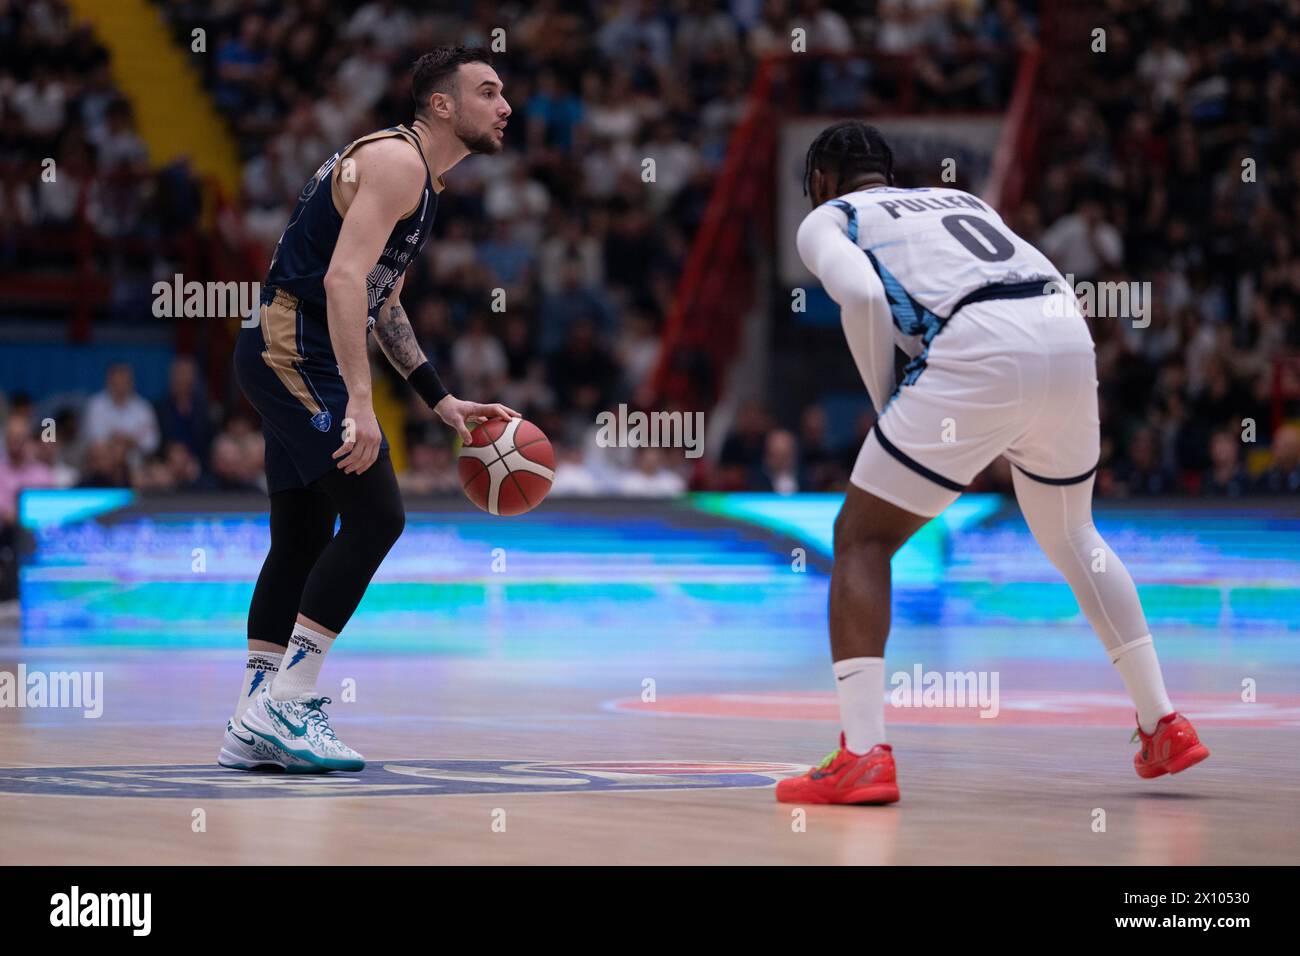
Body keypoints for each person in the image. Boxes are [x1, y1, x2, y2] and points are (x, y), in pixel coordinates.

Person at [777, 121, 1209, 805]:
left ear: (822, 183)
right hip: (1064, 329)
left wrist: (887, 401)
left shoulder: (832, 217)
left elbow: (860, 297)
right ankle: (1163, 722)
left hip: (979, 340)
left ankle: (861, 754)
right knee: (1075, 538)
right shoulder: (964, 202)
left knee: (862, 537)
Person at [224, 47, 519, 773]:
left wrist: (437, 397)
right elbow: (343, 278)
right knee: (378, 515)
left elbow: (381, 299)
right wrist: (361, 400)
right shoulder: (400, 163)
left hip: (284, 347)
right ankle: (290, 703)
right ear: (442, 106)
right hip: (297, 347)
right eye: (488, 91)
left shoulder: (420, 175)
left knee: (299, 535)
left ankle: (251, 719)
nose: (505, 105)